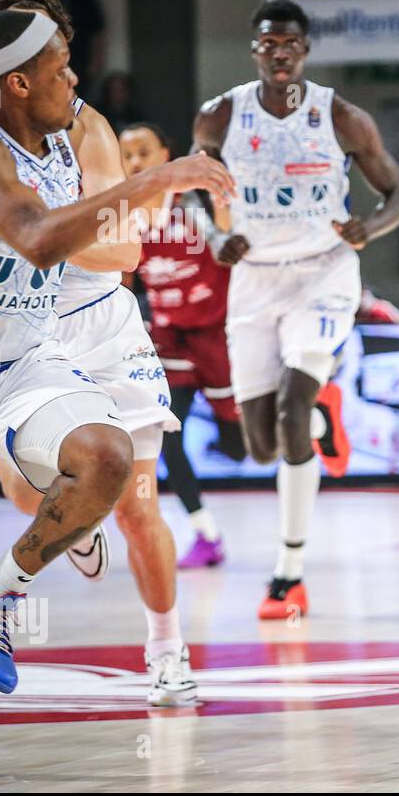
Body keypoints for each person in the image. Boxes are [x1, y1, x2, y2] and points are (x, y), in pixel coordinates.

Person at [0, 8, 232, 695]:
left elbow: (120, 247)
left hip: (31, 353)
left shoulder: (75, 125)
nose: (76, 78)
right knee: (30, 491)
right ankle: (67, 527)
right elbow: (40, 239)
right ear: (15, 82)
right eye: (59, 67)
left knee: (110, 465)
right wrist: (159, 178)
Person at [192, 0, 399, 619]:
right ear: (256, 50)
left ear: (304, 50)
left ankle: (288, 574)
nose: (279, 52)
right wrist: (216, 238)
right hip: (256, 282)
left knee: (292, 408)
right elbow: (191, 194)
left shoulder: (340, 116)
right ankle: (321, 424)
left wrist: (370, 227)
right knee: (260, 446)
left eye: (289, 43)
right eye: (268, 43)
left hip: (324, 275)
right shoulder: (219, 117)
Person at [119, 122, 246, 569]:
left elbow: (226, 242)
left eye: (143, 152)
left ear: (165, 153)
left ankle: (310, 419)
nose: (134, 162)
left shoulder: (191, 200)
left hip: (219, 332)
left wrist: (226, 212)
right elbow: (119, 279)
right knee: (168, 439)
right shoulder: (123, 213)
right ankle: (205, 534)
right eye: (126, 155)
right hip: (170, 337)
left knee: (241, 448)